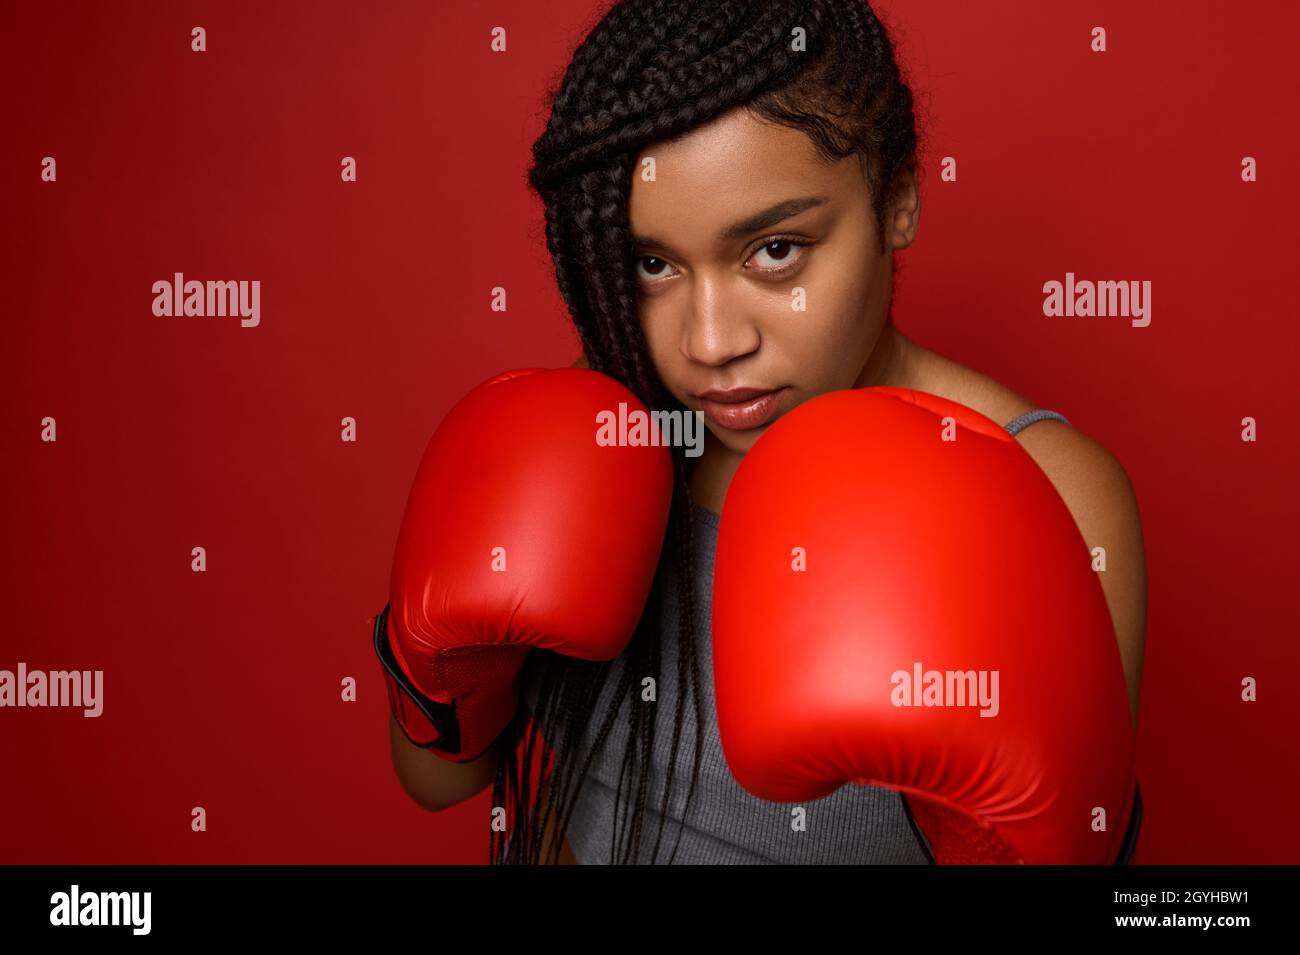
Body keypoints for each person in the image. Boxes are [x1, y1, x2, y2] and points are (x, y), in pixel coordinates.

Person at [386, 0, 1147, 865]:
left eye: (775, 250)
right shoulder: (598, 437)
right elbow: (439, 779)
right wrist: (446, 675)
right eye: (654, 264)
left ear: (898, 201)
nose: (712, 342)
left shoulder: (1049, 493)